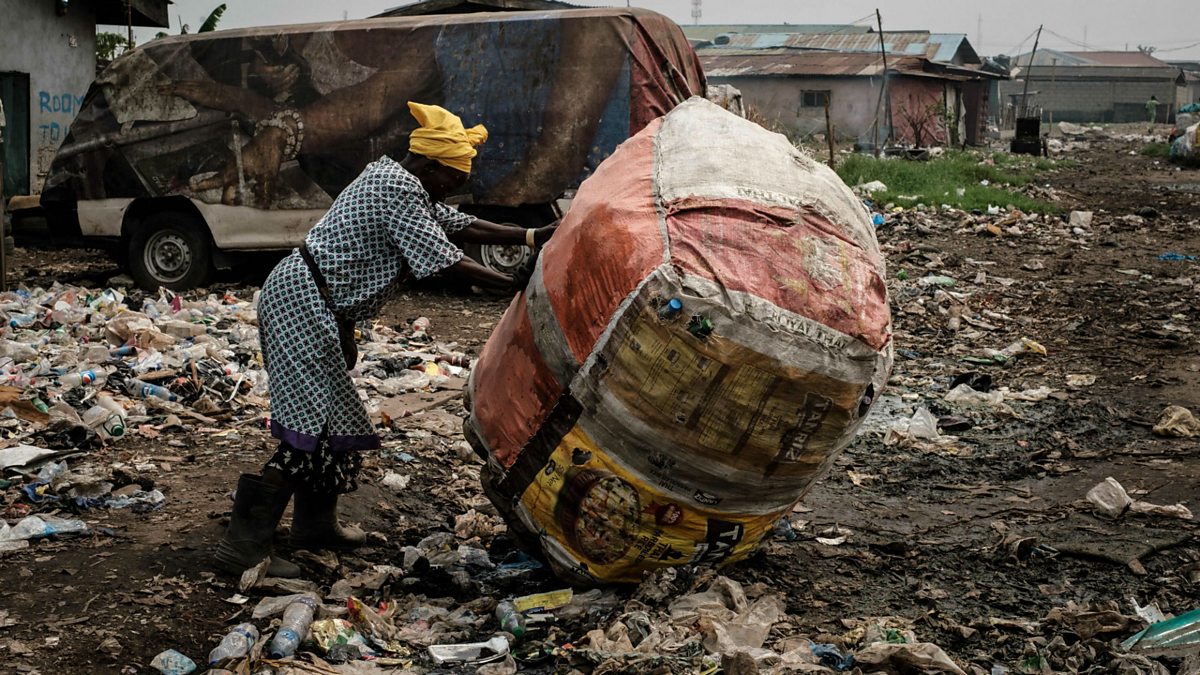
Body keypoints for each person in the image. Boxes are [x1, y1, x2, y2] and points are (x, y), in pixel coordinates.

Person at [214, 102, 556, 577]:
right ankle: (242, 548)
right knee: (307, 427)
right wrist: (517, 283)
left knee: (336, 420)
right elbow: (446, 259)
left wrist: (534, 236)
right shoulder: (396, 189)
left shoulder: (402, 182)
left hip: (322, 305)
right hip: (302, 302)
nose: (455, 190)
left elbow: (463, 225)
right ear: (432, 166)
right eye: (453, 180)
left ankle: (314, 526)